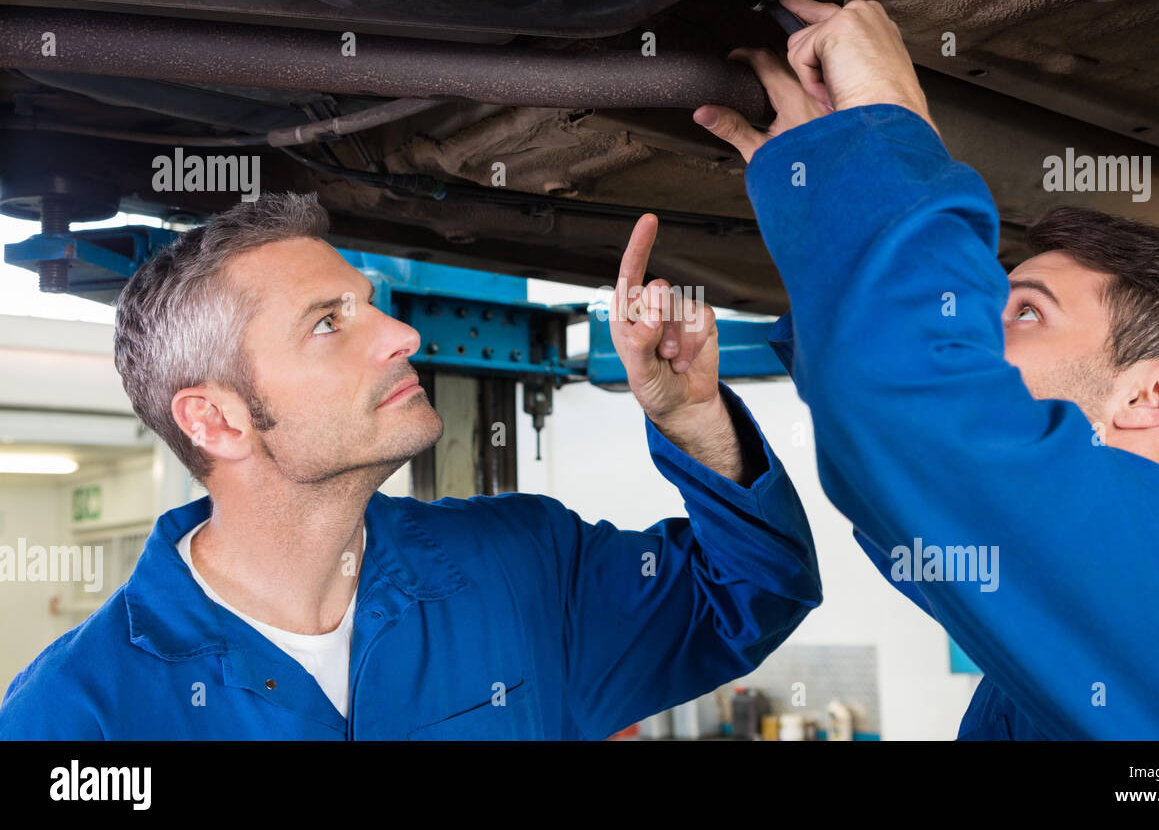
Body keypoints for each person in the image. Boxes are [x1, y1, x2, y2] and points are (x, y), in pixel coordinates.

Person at [693, 0, 1159, 739]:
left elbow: (913, 419)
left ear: (1151, 393)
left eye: (1026, 311)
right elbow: (917, 457)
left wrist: (884, 128)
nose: (977, 327)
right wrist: (837, 184)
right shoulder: (1096, 645)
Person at [0, 195, 820, 739]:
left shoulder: (519, 565)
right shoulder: (77, 715)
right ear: (215, 419)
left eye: (371, 304)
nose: (400, 337)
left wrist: (691, 418)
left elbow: (748, 595)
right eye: (329, 324)